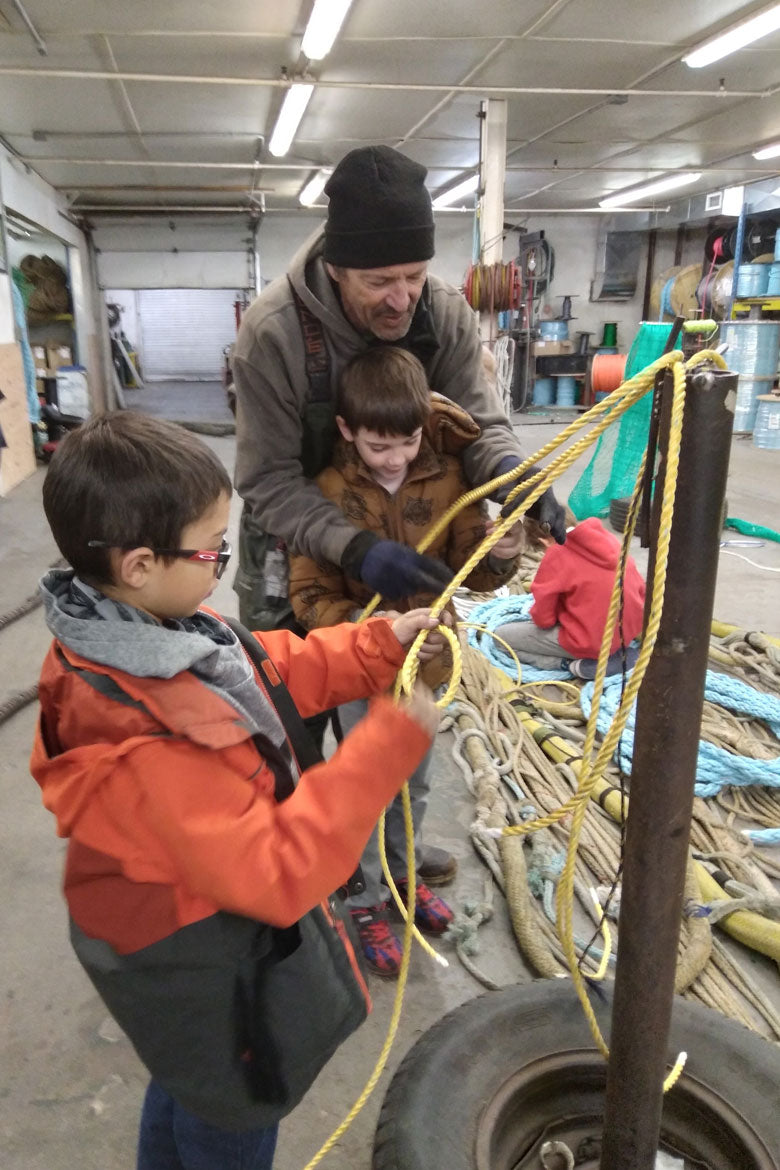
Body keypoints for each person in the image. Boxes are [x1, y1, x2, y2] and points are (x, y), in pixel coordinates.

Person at [29, 411, 446, 1170]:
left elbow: (268, 667)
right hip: (189, 948)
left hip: (170, 915)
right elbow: (278, 873)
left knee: (187, 1076)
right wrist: (385, 746)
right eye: (211, 548)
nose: (223, 560)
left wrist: (379, 644)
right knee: (236, 1101)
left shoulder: (137, 631)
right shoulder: (146, 741)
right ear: (140, 565)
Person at [232, 143, 564, 631]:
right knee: (286, 681)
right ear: (334, 269)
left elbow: (480, 427)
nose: (402, 298)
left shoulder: (445, 312)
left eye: (414, 275)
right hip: (298, 534)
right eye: (380, 281)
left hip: (404, 524)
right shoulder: (272, 334)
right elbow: (267, 479)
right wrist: (354, 548)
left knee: (402, 673)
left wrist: (512, 472)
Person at [288, 346, 524, 976]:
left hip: (428, 668)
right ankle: (362, 898)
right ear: (346, 431)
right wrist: (373, 631)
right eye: (378, 446)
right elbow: (307, 595)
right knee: (365, 787)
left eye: (409, 442)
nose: (396, 459)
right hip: (356, 673)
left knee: (412, 787)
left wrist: (504, 549)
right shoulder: (326, 493)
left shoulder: (449, 477)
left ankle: (400, 876)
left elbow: (479, 574)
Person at [494, 516, 646, 678]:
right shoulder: (607, 538)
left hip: (591, 643)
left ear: (544, 541)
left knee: (501, 639)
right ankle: (615, 656)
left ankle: (575, 666)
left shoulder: (557, 554)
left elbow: (543, 620)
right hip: (627, 631)